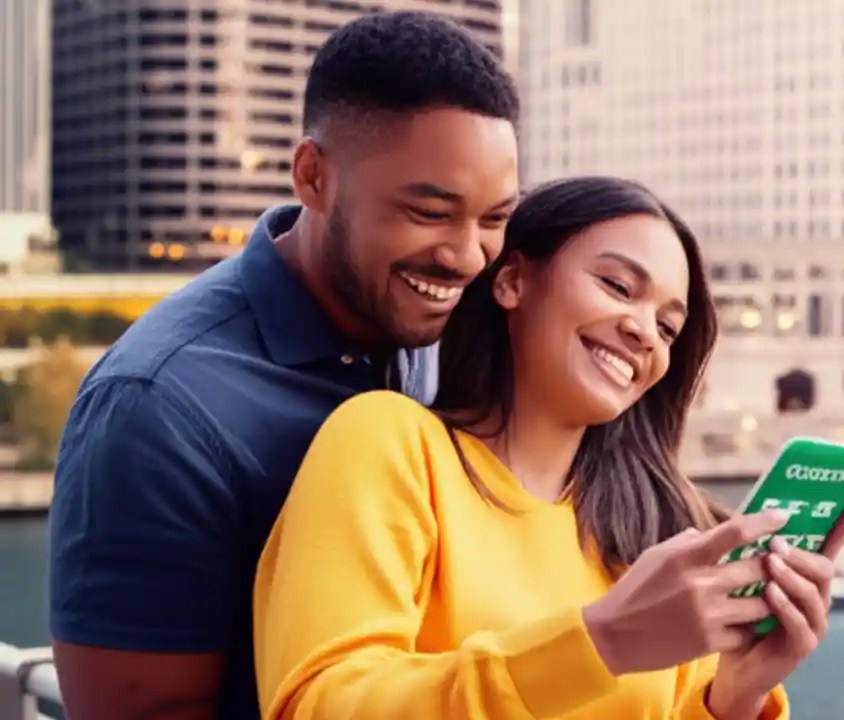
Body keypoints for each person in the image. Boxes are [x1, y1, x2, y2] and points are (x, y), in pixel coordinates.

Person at [46, 12, 520, 720]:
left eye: (493, 219)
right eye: (428, 212)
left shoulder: (453, 333)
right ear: (312, 177)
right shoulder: (156, 407)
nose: (466, 256)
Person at [253, 176, 844, 719]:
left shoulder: (658, 534)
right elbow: (322, 704)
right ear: (513, 279)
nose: (643, 331)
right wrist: (602, 643)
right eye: (618, 285)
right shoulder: (392, 444)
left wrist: (735, 698)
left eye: (668, 326)